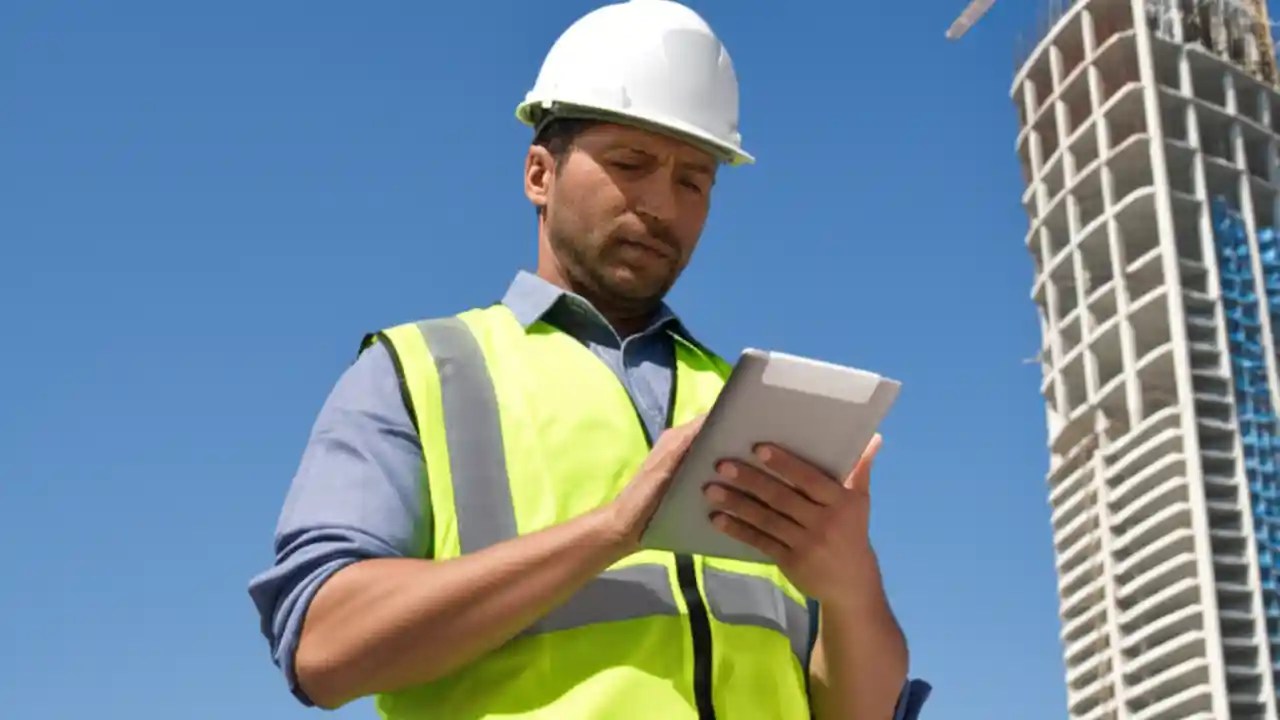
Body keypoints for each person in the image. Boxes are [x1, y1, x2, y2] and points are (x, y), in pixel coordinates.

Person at [249, 1, 930, 718]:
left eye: (693, 180)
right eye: (630, 163)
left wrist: (852, 583)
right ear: (539, 174)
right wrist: (610, 532)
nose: (661, 204)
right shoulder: (422, 372)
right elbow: (323, 647)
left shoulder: (744, 402)